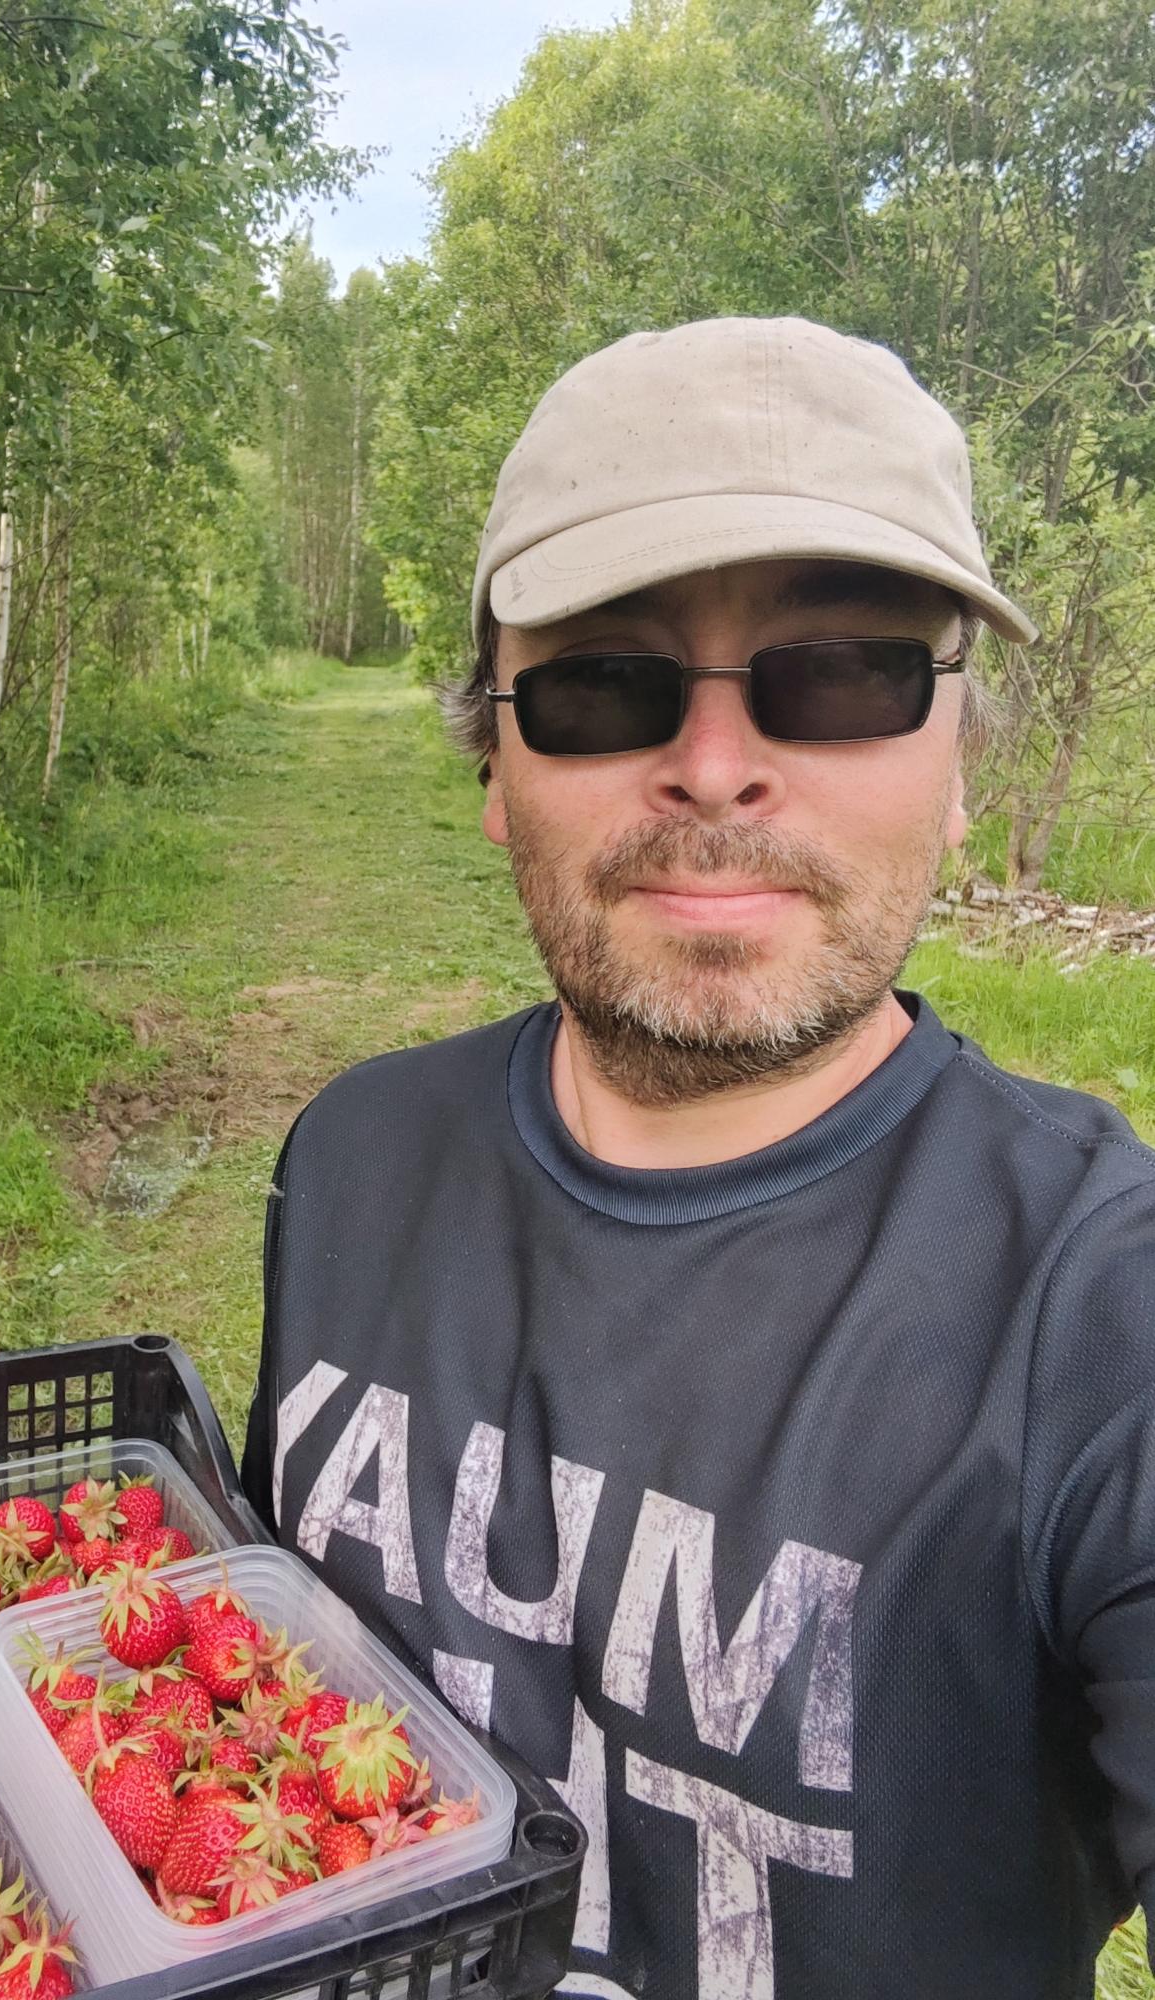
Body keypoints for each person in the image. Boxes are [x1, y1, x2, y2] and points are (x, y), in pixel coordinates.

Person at [240, 317, 1155, 2000]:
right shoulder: (355, 1158)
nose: (717, 764)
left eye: (844, 671)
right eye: (605, 681)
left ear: (959, 768)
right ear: (496, 767)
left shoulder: (1106, 1319)